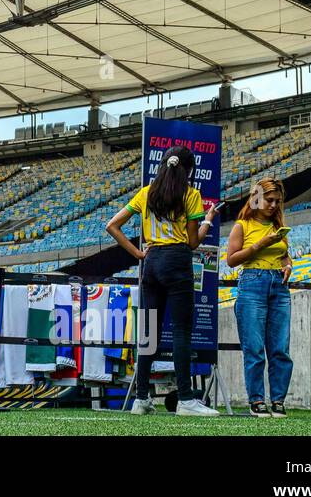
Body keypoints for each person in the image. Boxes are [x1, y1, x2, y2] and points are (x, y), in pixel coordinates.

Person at [106, 144, 220, 416]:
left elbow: (112, 225)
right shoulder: (191, 195)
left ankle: (141, 399)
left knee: (148, 332)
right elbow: (193, 242)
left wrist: (137, 253)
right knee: (181, 331)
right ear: (188, 170)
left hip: (152, 263)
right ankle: (186, 399)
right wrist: (208, 220)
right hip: (177, 261)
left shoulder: (146, 193)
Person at [226, 178, 293, 418]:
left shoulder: (278, 227)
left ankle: (278, 400)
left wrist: (288, 265)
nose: (274, 205)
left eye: (278, 201)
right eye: (269, 200)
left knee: (280, 348)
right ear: (256, 198)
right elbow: (231, 260)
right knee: (254, 348)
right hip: (252, 283)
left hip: (279, 286)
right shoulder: (242, 226)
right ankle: (256, 400)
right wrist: (260, 245)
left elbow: (284, 256)